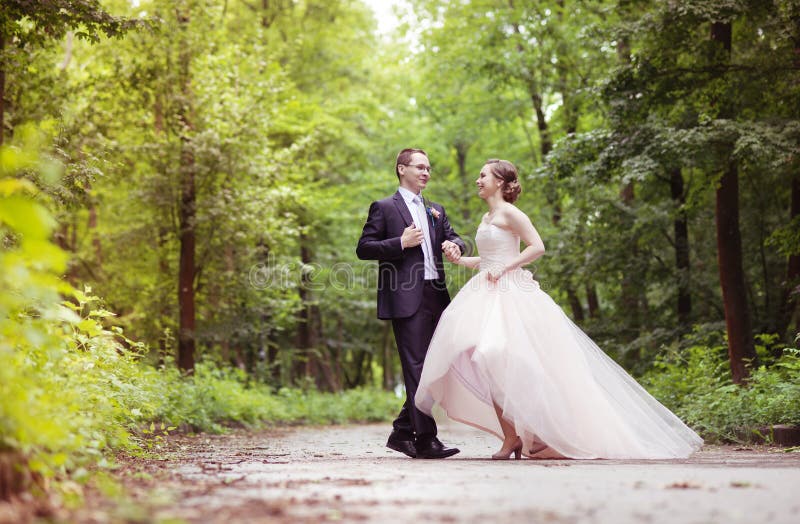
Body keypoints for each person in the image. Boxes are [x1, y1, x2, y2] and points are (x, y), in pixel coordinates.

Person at [415, 159, 703, 460]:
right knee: (484, 362)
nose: (478, 180)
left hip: (512, 294)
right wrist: (462, 261)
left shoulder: (511, 213)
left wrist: (505, 267)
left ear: (500, 181)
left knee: (500, 355)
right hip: (485, 291)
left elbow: (536, 247)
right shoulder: (487, 216)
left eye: (483, 175)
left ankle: (543, 430)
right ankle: (511, 437)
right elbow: (489, 258)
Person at [356, 148, 467, 459]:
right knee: (418, 367)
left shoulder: (436, 210)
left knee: (441, 366)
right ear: (401, 169)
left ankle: (402, 431)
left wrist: (453, 244)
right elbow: (364, 248)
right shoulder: (384, 208)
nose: (426, 172)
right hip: (405, 297)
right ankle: (426, 439)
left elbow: (457, 238)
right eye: (419, 167)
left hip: (437, 295)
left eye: (428, 168)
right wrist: (399, 243)